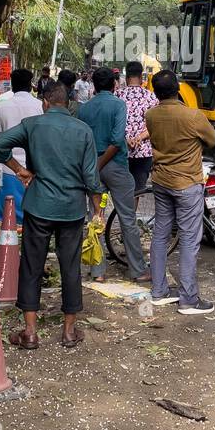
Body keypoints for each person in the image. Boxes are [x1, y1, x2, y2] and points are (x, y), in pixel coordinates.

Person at [0, 81, 101, 349]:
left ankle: (29, 332)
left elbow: (0, 144)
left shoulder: (33, 124)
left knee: (31, 267)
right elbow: (92, 178)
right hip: (71, 209)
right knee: (70, 267)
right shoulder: (83, 130)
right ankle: (69, 331)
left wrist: (19, 170)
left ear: (46, 102)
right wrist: (97, 211)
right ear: (68, 103)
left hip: (39, 205)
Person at [146, 69, 215, 315]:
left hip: (160, 181)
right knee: (188, 239)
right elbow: (212, 140)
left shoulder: (151, 115)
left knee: (160, 234)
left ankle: (159, 292)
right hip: (186, 183)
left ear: (155, 92)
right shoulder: (193, 116)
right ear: (177, 88)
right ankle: (188, 299)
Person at [77, 67, 150, 282]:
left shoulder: (85, 109)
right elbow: (118, 140)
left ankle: (98, 272)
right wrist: (102, 163)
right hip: (116, 166)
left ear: (94, 86)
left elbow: (83, 141)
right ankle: (138, 270)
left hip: (92, 169)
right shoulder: (119, 105)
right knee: (127, 218)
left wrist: (94, 166)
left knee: (95, 218)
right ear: (114, 84)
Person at [0, 68, 43, 224]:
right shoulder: (40, 107)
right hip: (34, 172)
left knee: (7, 222)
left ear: (12, 85)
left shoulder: (2, 108)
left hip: (8, 171)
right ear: (31, 85)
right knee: (33, 221)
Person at [116, 59, 158, 194]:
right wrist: (140, 137)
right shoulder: (151, 97)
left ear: (127, 77)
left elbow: (113, 124)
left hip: (120, 150)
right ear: (141, 77)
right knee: (137, 191)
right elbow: (154, 125)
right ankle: (131, 215)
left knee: (120, 189)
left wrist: (126, 138)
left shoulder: (117, 96)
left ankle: (119, 215)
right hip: (143, 152)